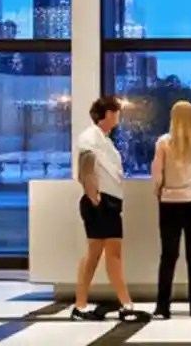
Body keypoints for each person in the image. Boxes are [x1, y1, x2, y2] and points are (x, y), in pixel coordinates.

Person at [71, 96, 147, 323]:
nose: (118, 116)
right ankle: (124, 304)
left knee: (98, 254)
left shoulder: (103, 139)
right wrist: (94, 198)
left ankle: (82, 304)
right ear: (107, 114)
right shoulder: (90, 138)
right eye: (115, 112)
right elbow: (86, 167)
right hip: (101, 202)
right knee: (110, 254)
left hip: (108, 202)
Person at [150, 100, 191, 319]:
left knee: (168, 255)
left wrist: (159, 191)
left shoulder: (163, 143)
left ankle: (162, 306)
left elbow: (157, 174)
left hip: (170, 202)